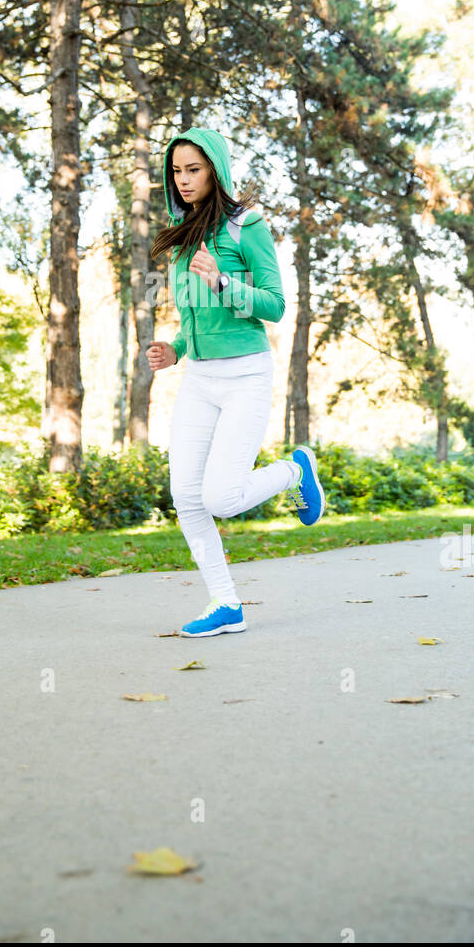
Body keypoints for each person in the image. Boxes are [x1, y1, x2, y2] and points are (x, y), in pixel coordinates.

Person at [146, 126, 325, 639]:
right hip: (200, 379)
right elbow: (193, 317)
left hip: (246, 373)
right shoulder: (184, 239)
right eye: (176, 171)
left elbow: (273, 304)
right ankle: (226, 604)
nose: (183, 180)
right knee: (187, 496)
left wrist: (223, 281)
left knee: (222, 497)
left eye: (193, 169)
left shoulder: (248, 227)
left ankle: (294, 472)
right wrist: (174, 349)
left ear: (216, 170)